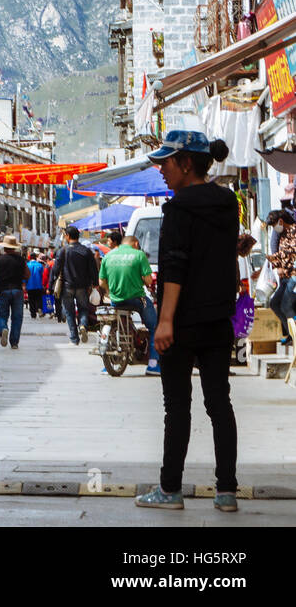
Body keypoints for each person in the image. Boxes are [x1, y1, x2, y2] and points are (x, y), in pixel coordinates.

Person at [136, 132, 239, 512]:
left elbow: (175, 267)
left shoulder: (179, 210)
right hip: (217, 320)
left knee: (177, 407)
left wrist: (165, 321)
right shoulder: (228, 204)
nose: (161, 169)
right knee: (219, 404)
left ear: (185, 163)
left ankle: (170, 490)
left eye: (166, 162)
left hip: (182, 322)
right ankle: (226, 492)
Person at [98, 229, 160, 375]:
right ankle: (153, 365)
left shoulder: (108, 256)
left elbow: (101, 282)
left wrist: (111, 291)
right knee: (154, 328)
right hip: (137, 299)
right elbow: (148, 280)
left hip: (116, 300)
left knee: (116, 322)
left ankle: (108, 364)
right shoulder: (139, 255)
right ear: (136, 244)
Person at [55, 225, 100, 344]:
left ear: (68, 236)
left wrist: (50, 285)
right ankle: (83, 325)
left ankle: (74, 338)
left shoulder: (63, 251)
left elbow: (55, 269)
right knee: (83, 309)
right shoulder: (86, 251)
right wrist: (95, 284)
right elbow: (93, 269)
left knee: (69, 312)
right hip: (82, 287)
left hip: (67, 286)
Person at [0, 235, 28, 349]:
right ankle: (14, 342)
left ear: (4, 248)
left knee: (1, 315)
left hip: (3, 290)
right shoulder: (21, 260)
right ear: (14, 247)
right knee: (17, 317)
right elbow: (27, 275)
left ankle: (3, 328)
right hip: (17, 290)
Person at [25, 251, 46, 319]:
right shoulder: (40, 265)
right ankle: (39, 308)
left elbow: (25, 276)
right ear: (36, 257)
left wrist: (24, 284)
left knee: (31, 299)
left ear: (30, 258)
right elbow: (43, 275)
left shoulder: (27, 265)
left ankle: (33, 313)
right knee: (38, 298)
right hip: (38, 285)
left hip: (30, 285)